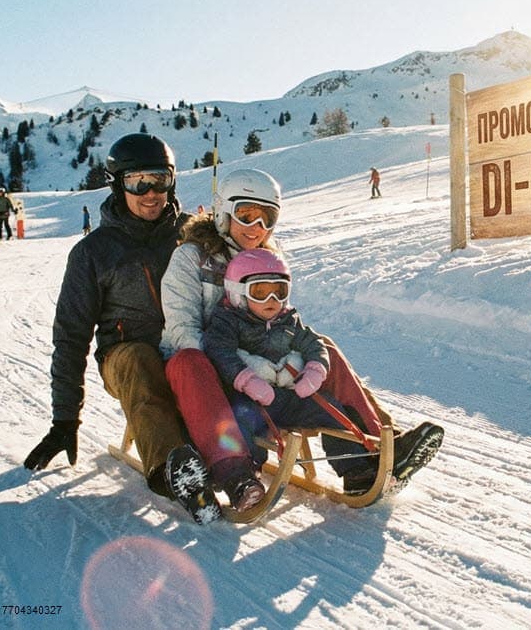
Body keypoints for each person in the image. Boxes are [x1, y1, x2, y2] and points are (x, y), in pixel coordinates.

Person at [160, 168, 443, 516]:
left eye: (267, 218)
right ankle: (235, 473)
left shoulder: (269, 258)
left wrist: (295, 361)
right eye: (247, 214)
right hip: (210, 371)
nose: (256, 227)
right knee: (190, 359)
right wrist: (243, 366)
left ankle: (373, 452)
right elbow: (180, 329)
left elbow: (284, 322)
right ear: (223, 211)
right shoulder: (191, 257)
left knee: (323, 349)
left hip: (262, 373)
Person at [22, 133, 213, 521]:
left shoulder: (192, 234)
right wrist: (64, 420)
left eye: (160, 180)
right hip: (126, 357)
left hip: (188, 345)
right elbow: (71, 338)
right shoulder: (93, 252)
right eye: (138, 182)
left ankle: (355, 448)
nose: (151, 193)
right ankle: (173, 471)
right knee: (141, 360)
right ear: (117, 183)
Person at [205, 248, 378, 496]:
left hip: (288, 398)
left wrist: (315, 371)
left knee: (331, 408)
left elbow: (314, 344)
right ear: (237, 293)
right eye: (260, 293)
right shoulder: (227, 321)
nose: (272, 300)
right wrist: (247, 380)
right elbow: (219, 351)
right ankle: (244, 476)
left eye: (280, 291)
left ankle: (355, 468)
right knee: (235, 420)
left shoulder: (288, 320)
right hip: (250, 401)